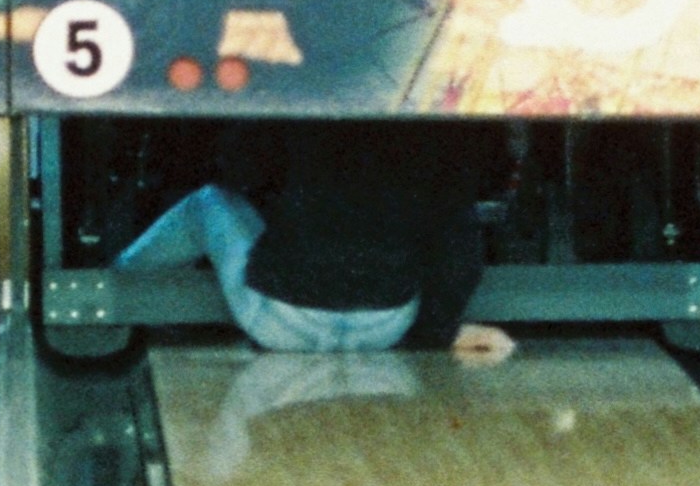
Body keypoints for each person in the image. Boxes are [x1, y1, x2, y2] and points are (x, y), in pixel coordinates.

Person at [116, 121, 505, 357]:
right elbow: (458, 240)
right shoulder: (434, 123)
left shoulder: (306, 89)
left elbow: (237, 171)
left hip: (280, 323)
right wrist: (437, 333)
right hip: (385, 329)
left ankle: (117, 285)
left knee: (210, 200)